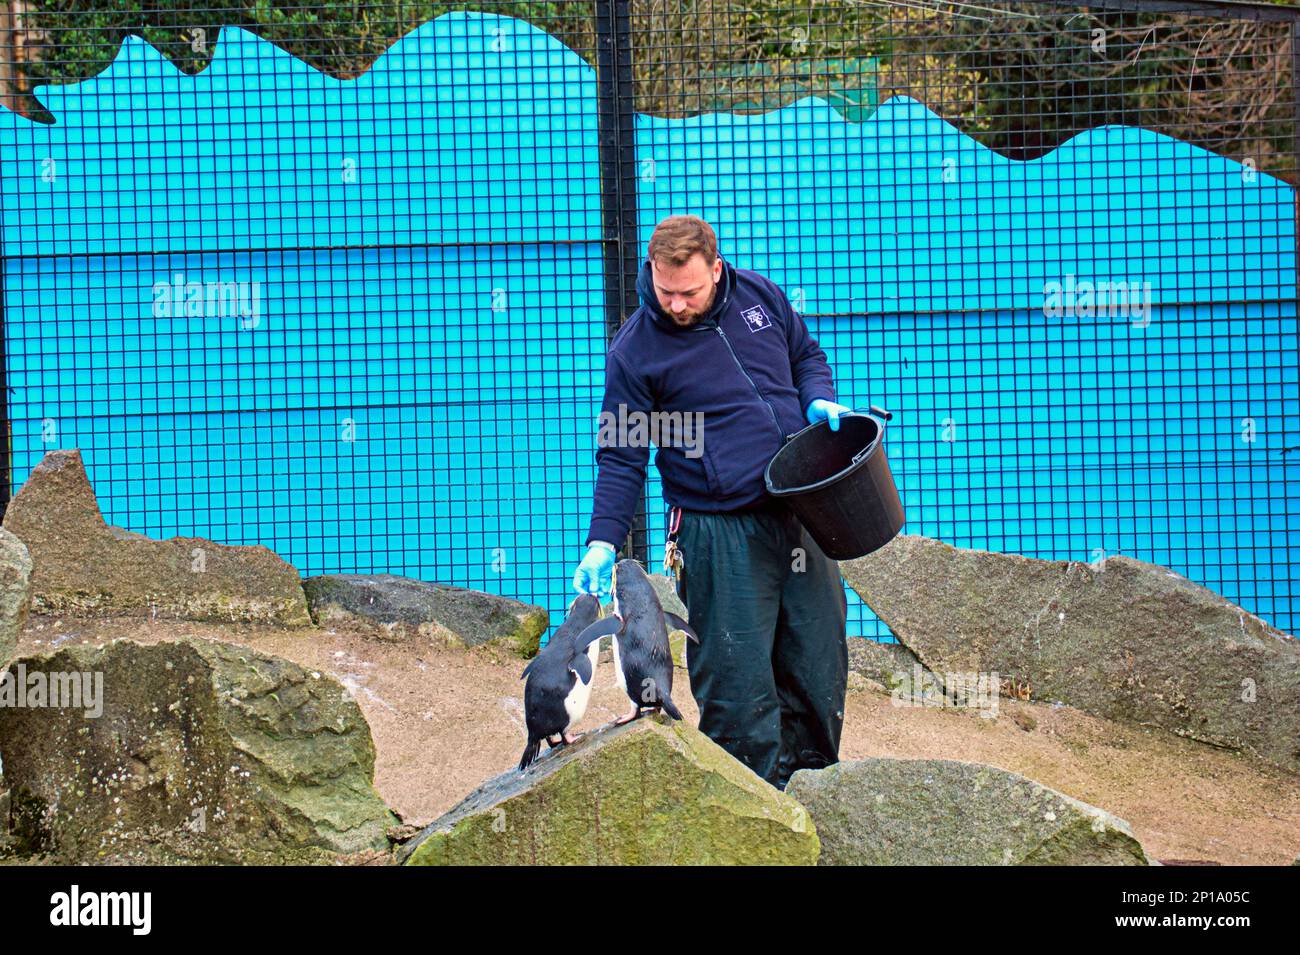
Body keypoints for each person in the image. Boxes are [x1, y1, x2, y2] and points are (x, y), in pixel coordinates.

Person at [571, 213, 851, 790]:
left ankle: (813, 805)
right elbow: (623, 454)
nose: (675, 304)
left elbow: (806, 356)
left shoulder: (760, 297)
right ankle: (747, 821)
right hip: (719, 529)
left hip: (800, 511)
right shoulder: (635, 351)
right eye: (665, 290)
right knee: (736, 688)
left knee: (817, 671)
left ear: (717, 270)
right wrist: (603, 539)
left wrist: (819, 399)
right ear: (651, 271)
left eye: (689, 292)